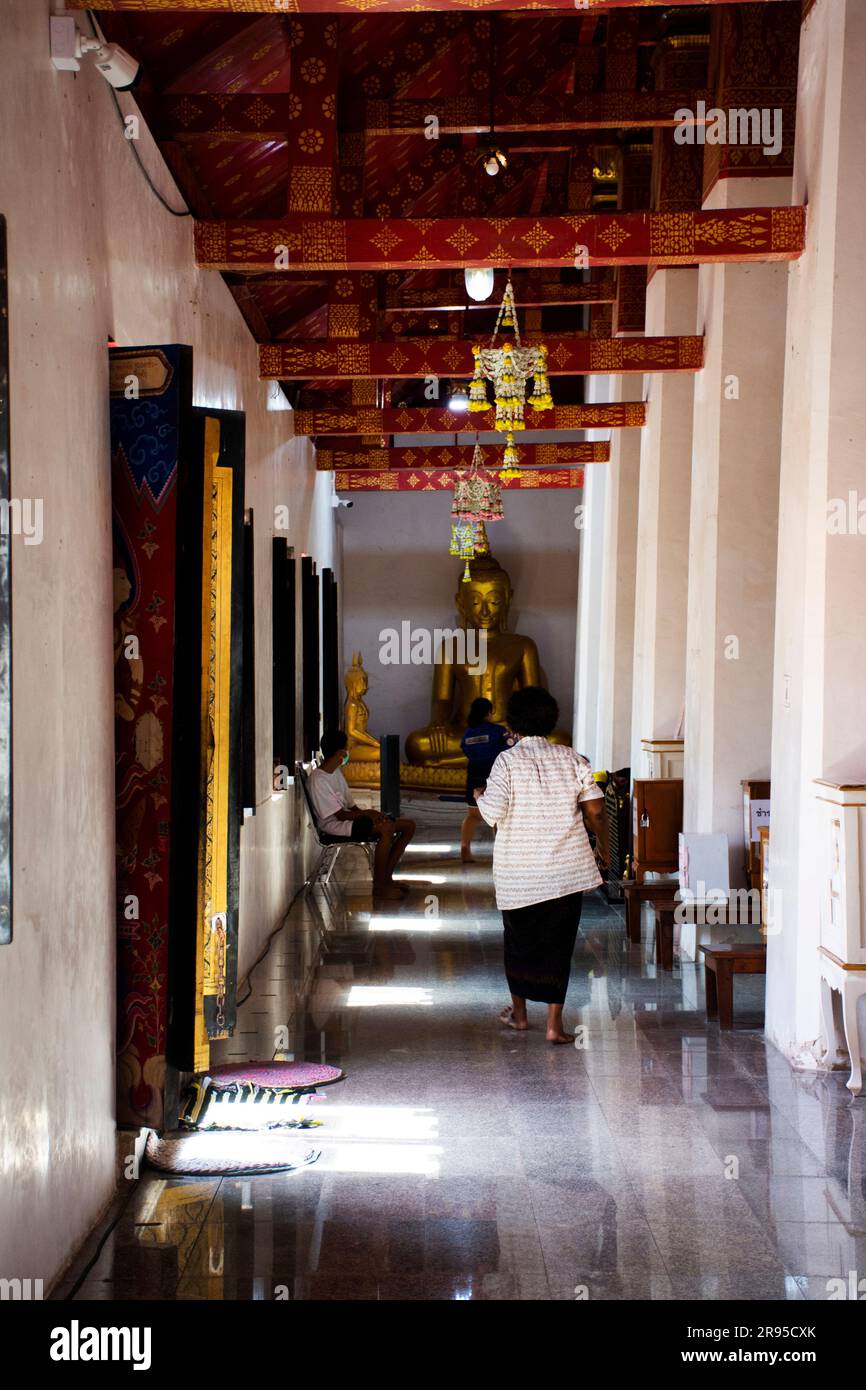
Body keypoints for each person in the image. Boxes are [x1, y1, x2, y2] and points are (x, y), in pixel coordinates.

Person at [475, 687, 609, 1044]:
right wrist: (606, 847)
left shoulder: (505, 762)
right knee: (558, 945)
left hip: (518, 874)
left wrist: (479, 796)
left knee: (518, 943)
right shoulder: (573, 759)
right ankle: (554, 1025)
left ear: (513, 722)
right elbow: (595, 810)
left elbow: (493, 812)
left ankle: (519, 1016)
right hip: (565, 872)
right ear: (551, 720)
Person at [309, 730, 416, 899]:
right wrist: (369, 814)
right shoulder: (318, 779)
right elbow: (341, 816)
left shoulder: (335, 772)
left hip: (349, 819)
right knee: (386, 829)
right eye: (346, 748)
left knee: (408, 826)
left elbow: (352, 807)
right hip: (335, 826)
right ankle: (379, 887)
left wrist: (372, 815)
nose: (347, 753)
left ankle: (387, 878)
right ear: (339, 753)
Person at [459, 697, 512, 863]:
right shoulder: (498, 730)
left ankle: (465, 847)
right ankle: (500, 853)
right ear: (489, 712)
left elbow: (465, 750)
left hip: (474, 774)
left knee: (473, 816)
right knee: (498, 816)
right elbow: (509, 749)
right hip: (494, 776)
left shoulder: (468, 733)